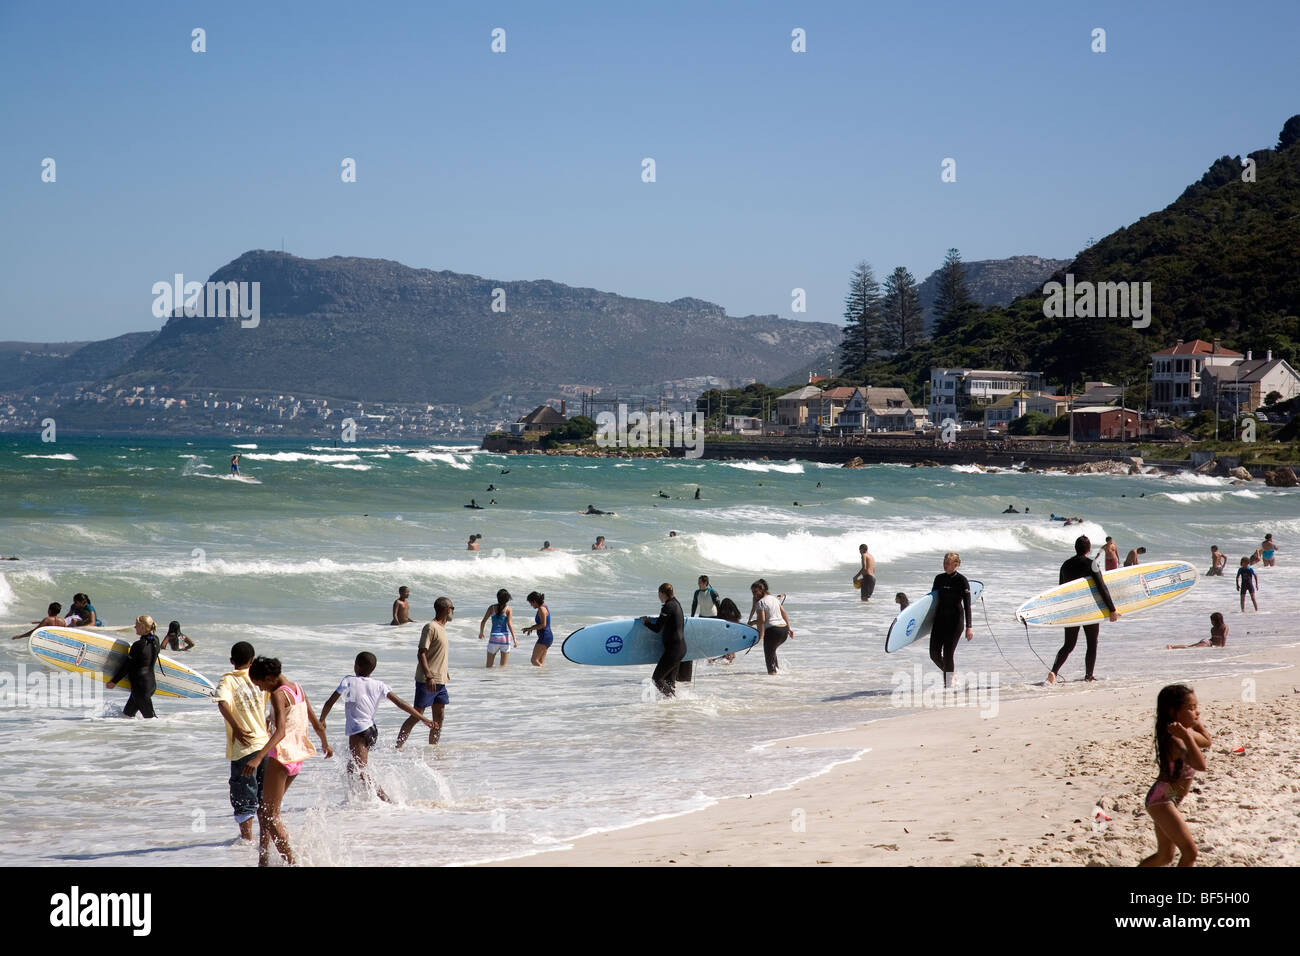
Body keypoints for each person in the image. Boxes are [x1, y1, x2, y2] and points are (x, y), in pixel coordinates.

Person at [243, 657, 332, 866]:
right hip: (297, 757)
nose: (262, 690)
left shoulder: (277, 694)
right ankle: (263, 860)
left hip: (281, 757)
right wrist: (325, 744)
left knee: (269, 815)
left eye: (260, 685)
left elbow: (281, 730)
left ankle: (291, 862)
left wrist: (258, 758)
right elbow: (316, 723)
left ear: (269, 678)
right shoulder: (297, 689)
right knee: (266, 813)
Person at [319, 651, 433, 802]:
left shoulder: (348, 681)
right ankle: (354, 801)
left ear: (356, 666)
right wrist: (422, 718)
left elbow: (329, 702)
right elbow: (400, 703)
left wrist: (322, 719)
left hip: (359, 731)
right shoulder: (379, 685)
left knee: (361, 771)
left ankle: (386, 801)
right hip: (372, 731)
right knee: (351, 767)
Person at [1139, 685, 1210, 867]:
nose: (1197, 712)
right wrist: (1187, 735)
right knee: (1190, 852)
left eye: (1197, 707)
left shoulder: (1185, 733)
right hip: (1161, 801)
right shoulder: (1175, 741)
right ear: (1173, 712)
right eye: (1191, 708)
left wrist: (1194, 723)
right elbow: (1200, 765)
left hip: (1167, 799)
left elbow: (1207, 740)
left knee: (1164, 856)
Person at [215, 641, 269, 842]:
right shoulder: (258, 679)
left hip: (244, 748)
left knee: (243, 795)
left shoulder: (228, 680)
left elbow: (221, 703)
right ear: (252, 660)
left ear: (231, 661)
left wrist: (237, 728)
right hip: (264, 745)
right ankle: (265, 840)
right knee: (263, 796)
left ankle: (247, 842)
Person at [1047, 536, 1118, 684]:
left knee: (1068, 644)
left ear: (1076, 548)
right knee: (1092, 643)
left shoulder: (1065, 565)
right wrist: (1112, 609)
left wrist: (1060, 611)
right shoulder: (1092, 564)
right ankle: (1088, 676)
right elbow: (1101, 587)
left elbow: (1060, 589)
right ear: (1089, 549)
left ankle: (1053, 671)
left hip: (1071, 609)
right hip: (1089, 609)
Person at [397, 597, 453, 748]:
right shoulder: (430, 627)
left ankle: (433, 748)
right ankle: (398, 747)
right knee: (417, 715)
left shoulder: (442, 628)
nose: (453, 611)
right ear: (446, 610)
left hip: (440, 681)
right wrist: (429, 676)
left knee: (439, 716)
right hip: (427, 680)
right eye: (452, 608)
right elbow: (421, 653)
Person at [928, 553, 973, 687]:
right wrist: (923, 625)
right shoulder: (939, 579)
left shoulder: (962, 581)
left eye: (948, 563)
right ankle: (951, 674)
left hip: (955, 622)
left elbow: (967, 605)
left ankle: (948, 685)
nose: (945, 565)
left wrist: (969, 627)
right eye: (944, 562)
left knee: (948, 654)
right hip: (939, 620)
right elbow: (931, 602)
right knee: (934, 654)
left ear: (956, 564)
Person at [106, 615, 161, 718]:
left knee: (151, 720)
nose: (134, 627)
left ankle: (163, 732)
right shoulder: (156, 641)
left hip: (140, 687)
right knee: (127, 716)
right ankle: (136, 734)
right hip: (150, 684)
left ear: (142, 627)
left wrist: (114, 681)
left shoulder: (138, 645)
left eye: (136, 625)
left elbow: (127, 666)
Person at [641, 583, 685, 696]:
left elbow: (657, 628)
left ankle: (673, 700)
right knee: (669, 682)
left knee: (657, 679)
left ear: (662, 593)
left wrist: (646, 622)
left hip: (674, 650)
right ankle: (674, 706)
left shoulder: (668, 606)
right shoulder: (676, 603)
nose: (658, 596)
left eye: (658, 594)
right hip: (679, 648)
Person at [751, 580, 791, 675]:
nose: (754, 594)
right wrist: (789, 628)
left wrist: (752, 622)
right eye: (753, 592)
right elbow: (784, 613)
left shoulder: (761, 602)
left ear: (762, 590)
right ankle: (778, 675)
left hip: (773, 632)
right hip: (783, 630)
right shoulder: (774, 599)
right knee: (772, 652)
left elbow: (762, 620)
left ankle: (773, 680)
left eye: (756, 592)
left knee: (769, 658)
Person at [479, 588, 516, 666]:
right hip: (505, 638)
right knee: (503, 667)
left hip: (494, 637)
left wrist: (481, 633)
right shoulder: (509, 609)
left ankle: (488, 678)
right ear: (507, 599)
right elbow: (509, 624)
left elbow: (483, 621)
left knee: (489, 666)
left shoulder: (491, 608)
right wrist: (514, 639)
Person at [522, 592, 553, 666]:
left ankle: (543, 676)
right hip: (547, 637)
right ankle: (542, 676)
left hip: (544, 637)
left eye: (531, 603)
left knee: (534, 660)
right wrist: (530, 628)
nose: (531, 605)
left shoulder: (541, 609)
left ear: (534, 601)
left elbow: (543, 624)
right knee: (540, 662)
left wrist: (531, 628)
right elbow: (541, 624)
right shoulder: (544, 607)